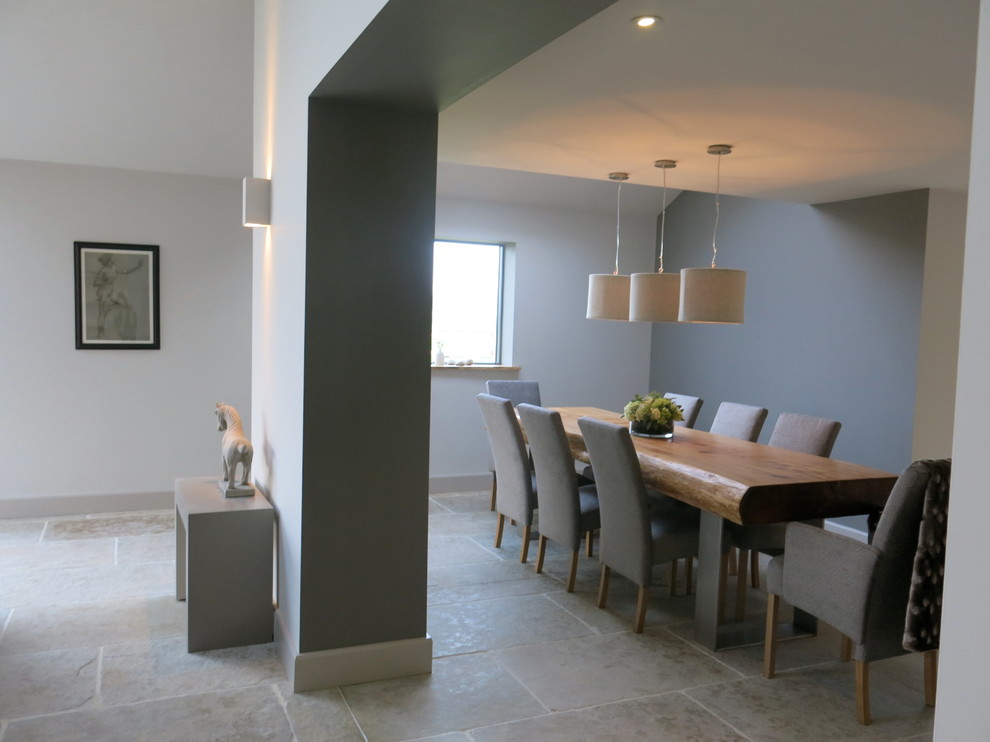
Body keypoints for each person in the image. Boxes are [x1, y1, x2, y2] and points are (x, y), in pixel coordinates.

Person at [93, 253, 143, 339]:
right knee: (102, 313)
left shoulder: (114, 268)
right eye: (112, 257)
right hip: (103, 292)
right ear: (109, 260)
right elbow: (95, 283)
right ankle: (100, 333)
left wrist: (137, 266)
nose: (114, 258)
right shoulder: (103, 270)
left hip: (111, 292)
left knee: (124, 305)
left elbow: (126, 272)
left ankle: (122, 327)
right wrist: (107, 282)